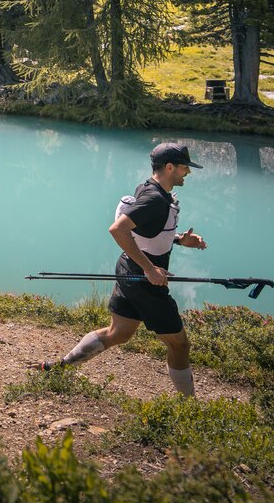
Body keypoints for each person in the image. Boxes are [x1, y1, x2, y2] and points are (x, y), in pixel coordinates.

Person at [40, 142, 207, 396]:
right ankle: (190, 408)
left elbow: (145, 231)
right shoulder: (155, 200)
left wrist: (179, 239)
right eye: (185, 167)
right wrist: (150, 269)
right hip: (144, 281)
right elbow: (118, 229)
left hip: (129, 271)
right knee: (180, 345)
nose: (188, 173)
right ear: (170, 167)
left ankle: (60, 367)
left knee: (118, 333)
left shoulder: (151, 189)